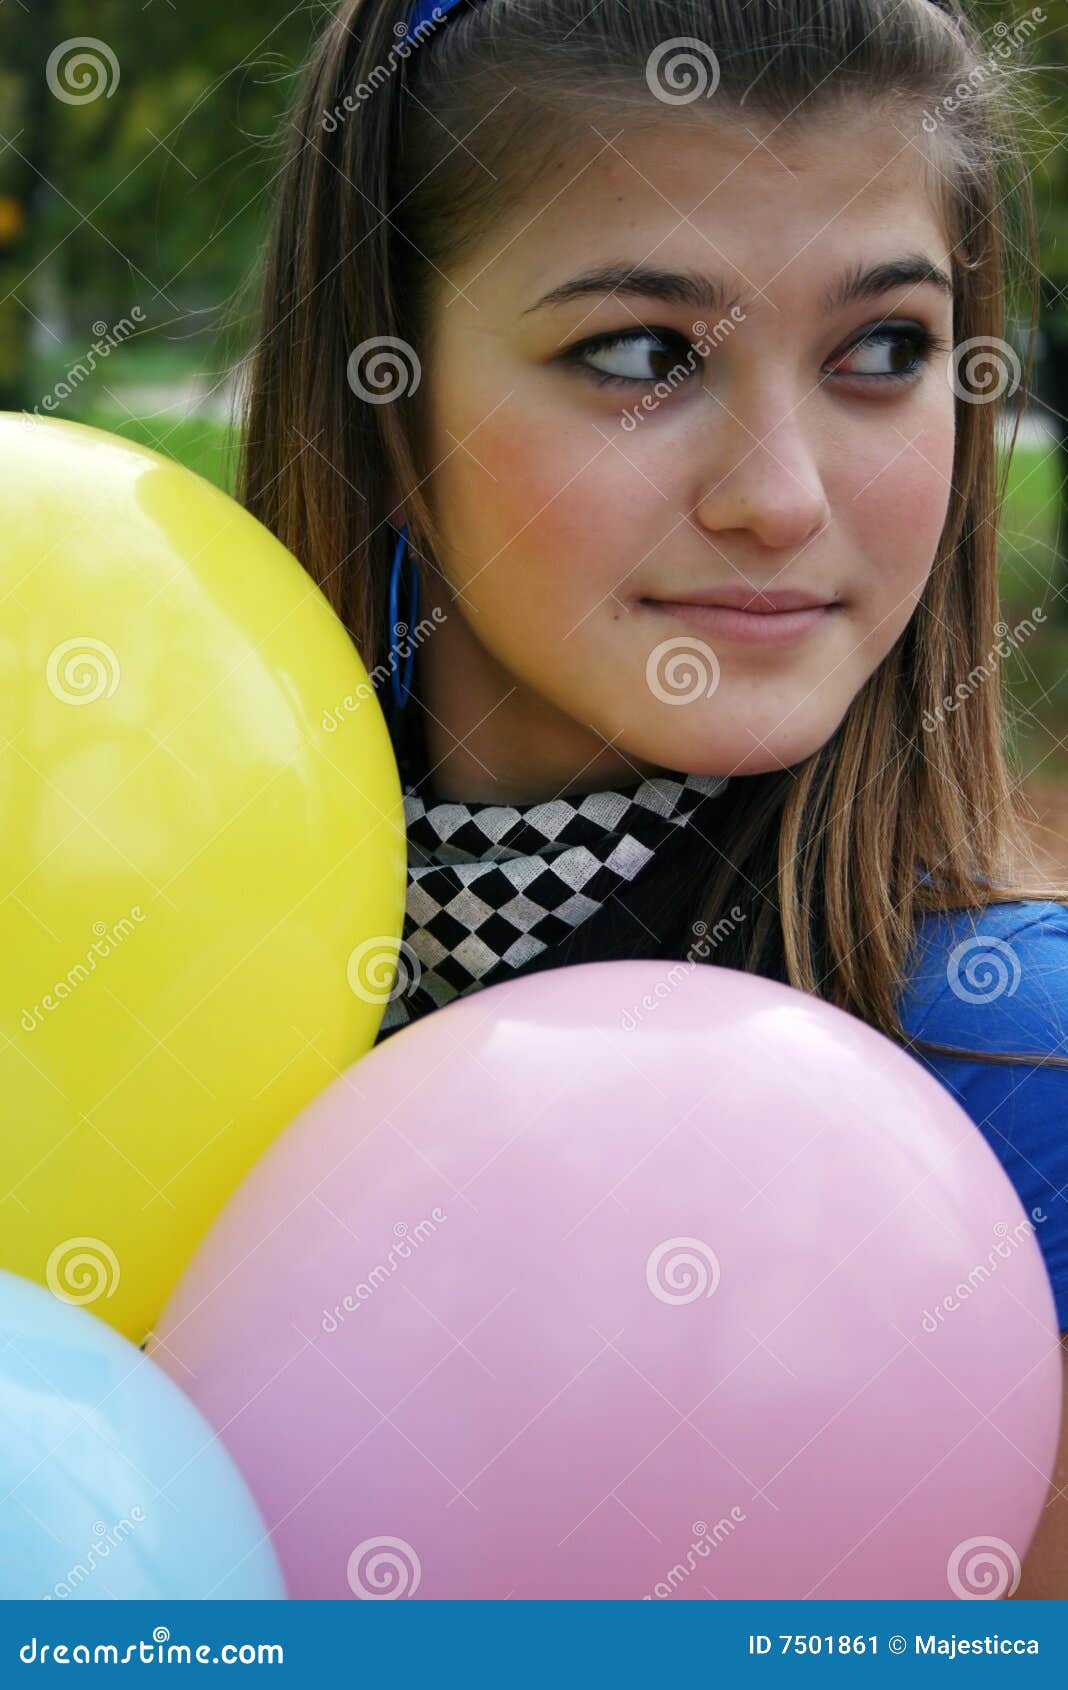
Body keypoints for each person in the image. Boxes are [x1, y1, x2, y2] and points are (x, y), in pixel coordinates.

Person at [238, 0, 1068, 1596]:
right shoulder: (137, 979)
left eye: (882, 352)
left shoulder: (1014, 1063)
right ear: (384, 404)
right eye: (641, 356)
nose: (779, 493)